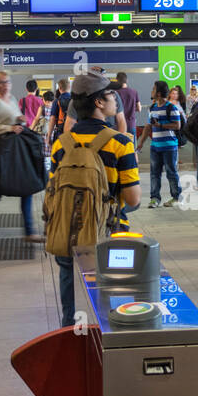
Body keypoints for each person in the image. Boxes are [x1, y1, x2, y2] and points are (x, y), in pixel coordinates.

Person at [49, 73, 140, 327]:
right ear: (99, 103)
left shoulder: (61, 144)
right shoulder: (121, 143)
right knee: (111, 286)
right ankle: (109, 332)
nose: (115, 98)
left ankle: (71, 330)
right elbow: (133, 197)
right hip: (108, 231)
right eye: (111, 95)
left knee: (68, 277)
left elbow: (53, 190)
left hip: (68, 229)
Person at [0, 72, 43, 243]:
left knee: (26, 190)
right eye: (2, 82)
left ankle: (30, 232)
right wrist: (8, 128)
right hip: (1, 155)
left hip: (14, 153)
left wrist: (19, 120)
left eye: (8, 81)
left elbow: (14, 122)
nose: (6, 85)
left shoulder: (12, 99)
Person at [140, 80, 183, 208]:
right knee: (154, 173)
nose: (151, 92)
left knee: (171, 172)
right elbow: (148, 126)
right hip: (155, 146)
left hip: (169, 147)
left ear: (158, 93)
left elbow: (177, 125)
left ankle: (176, 197)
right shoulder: (152, 108)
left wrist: (160, 125)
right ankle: (155, 198)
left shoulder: (171, 107)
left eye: (153, 89)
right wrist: (141, 142)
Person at [110, 71, 140, 137]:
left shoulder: (115, 93)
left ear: (117, 80)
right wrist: (131, 109)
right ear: (126, 80)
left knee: (120, 145)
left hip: (119, 125)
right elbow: (139, 108)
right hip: (131, 124)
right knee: (131, 146)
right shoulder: (134, 92)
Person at [49, 76, 73, 149]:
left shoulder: (56, 101)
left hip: (60, 131)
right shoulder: (75, 101)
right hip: (73, 132)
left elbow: (52, 119)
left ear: (59, 88)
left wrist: (49, 136)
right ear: (69, 88)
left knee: (59, 154)